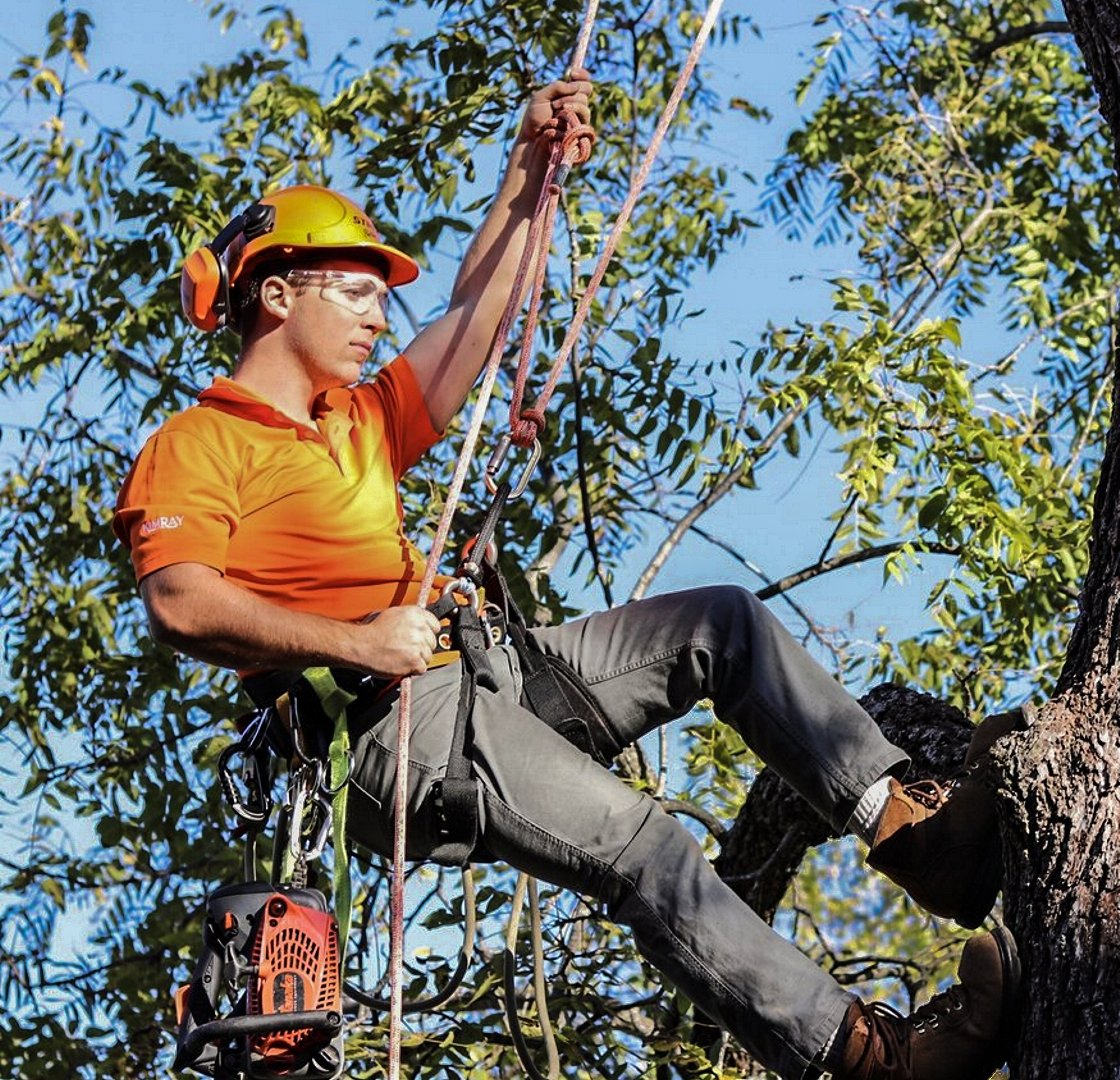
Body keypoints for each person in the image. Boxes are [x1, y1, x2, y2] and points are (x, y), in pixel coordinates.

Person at [112, 73, 1018, 1080]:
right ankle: (871, 1058)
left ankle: (913, 833)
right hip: (382, 726)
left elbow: (475, 314)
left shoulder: (358, 422)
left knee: (721, 624)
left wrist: (526, 169)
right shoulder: (199, 443)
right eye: (357, 291)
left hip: (481, 672)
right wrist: (359, 642)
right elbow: (179, 600)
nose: (379, 314)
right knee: (645, 848)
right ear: (277, 294)